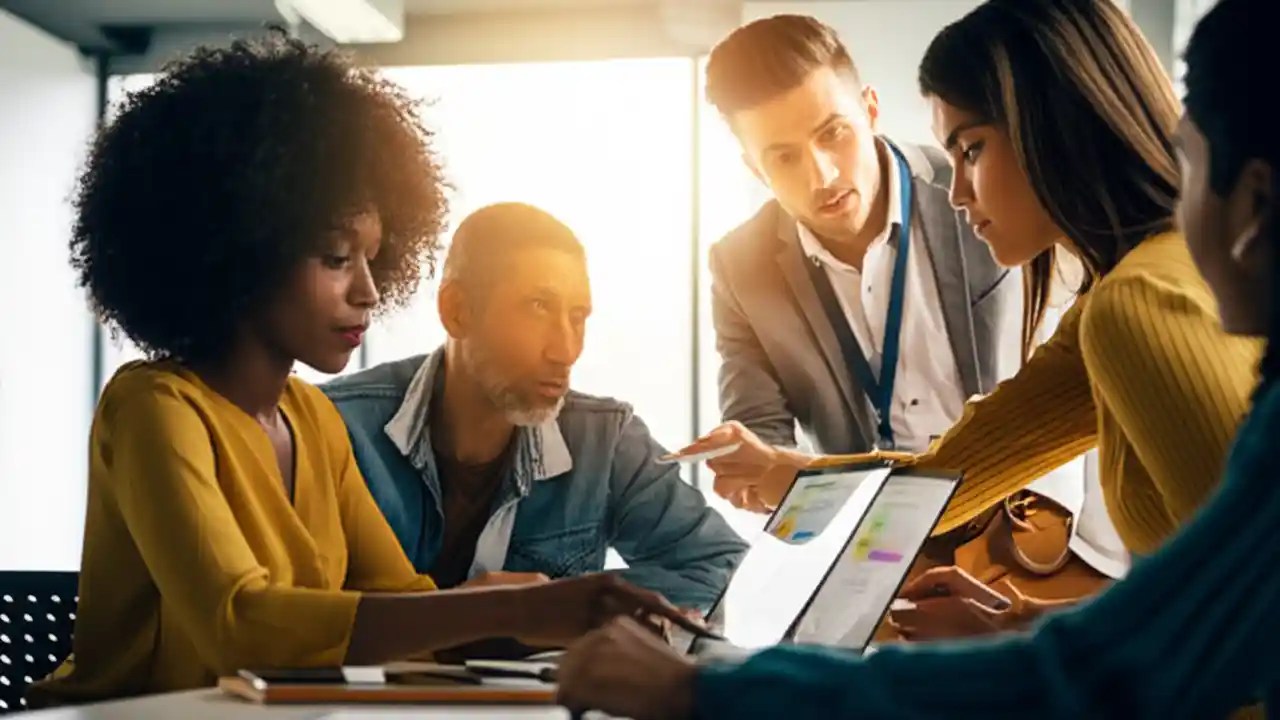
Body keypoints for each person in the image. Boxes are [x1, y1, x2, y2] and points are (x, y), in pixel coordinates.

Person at [555, 0, 1280, 715]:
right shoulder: (1113, 305)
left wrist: (705, 690)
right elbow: (946, 479)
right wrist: (1020, 626)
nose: (957, 190)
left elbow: (1200, 646)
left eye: (972, 150)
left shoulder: (1138, 303)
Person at [26, 34, 692, 706]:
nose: (370, 292)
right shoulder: (153, 409)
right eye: (336, 258)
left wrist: (523, 605)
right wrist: (503, 613)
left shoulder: (313, 418)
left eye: (374, 259)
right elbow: (241, 625)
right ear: (239, 250)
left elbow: (398, 600)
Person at [700, 13, 1122, 625]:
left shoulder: (989, 186)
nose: (821, 175)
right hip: (882, 557)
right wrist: (753, 470)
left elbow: (1066, 379)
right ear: (752, 168)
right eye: (783, 157)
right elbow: (763, 445)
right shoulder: (738, 264)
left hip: (1052, 541)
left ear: (870, 109)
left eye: (833, 133)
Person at [322, 202, 746, 610]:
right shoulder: (335, 427)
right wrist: (484, 615)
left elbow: (717, 563)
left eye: (578, 316)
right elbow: (291, 607)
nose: (566, 351)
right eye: (538, 307)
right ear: (457, 311)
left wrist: (557, 609)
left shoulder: (606, 441)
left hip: (545, 688)